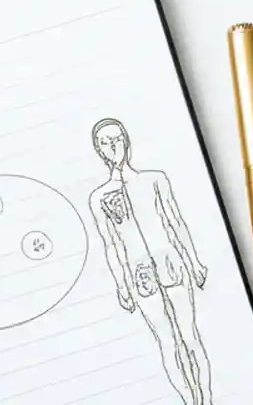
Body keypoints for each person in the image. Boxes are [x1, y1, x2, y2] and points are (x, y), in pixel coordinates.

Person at [88, 118, 213, 404]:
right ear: (99, 149)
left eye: (117, 139)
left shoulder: (154, 179)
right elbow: (111, 244)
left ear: (126, 140)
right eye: (106, 143)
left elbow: (175, 223)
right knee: (168, 344)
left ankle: (206, 399)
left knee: (190, 337)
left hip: (170, 263)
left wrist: (193, 262)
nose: (113, 147)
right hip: (140, 276)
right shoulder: (99, 198)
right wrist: (122, 284)